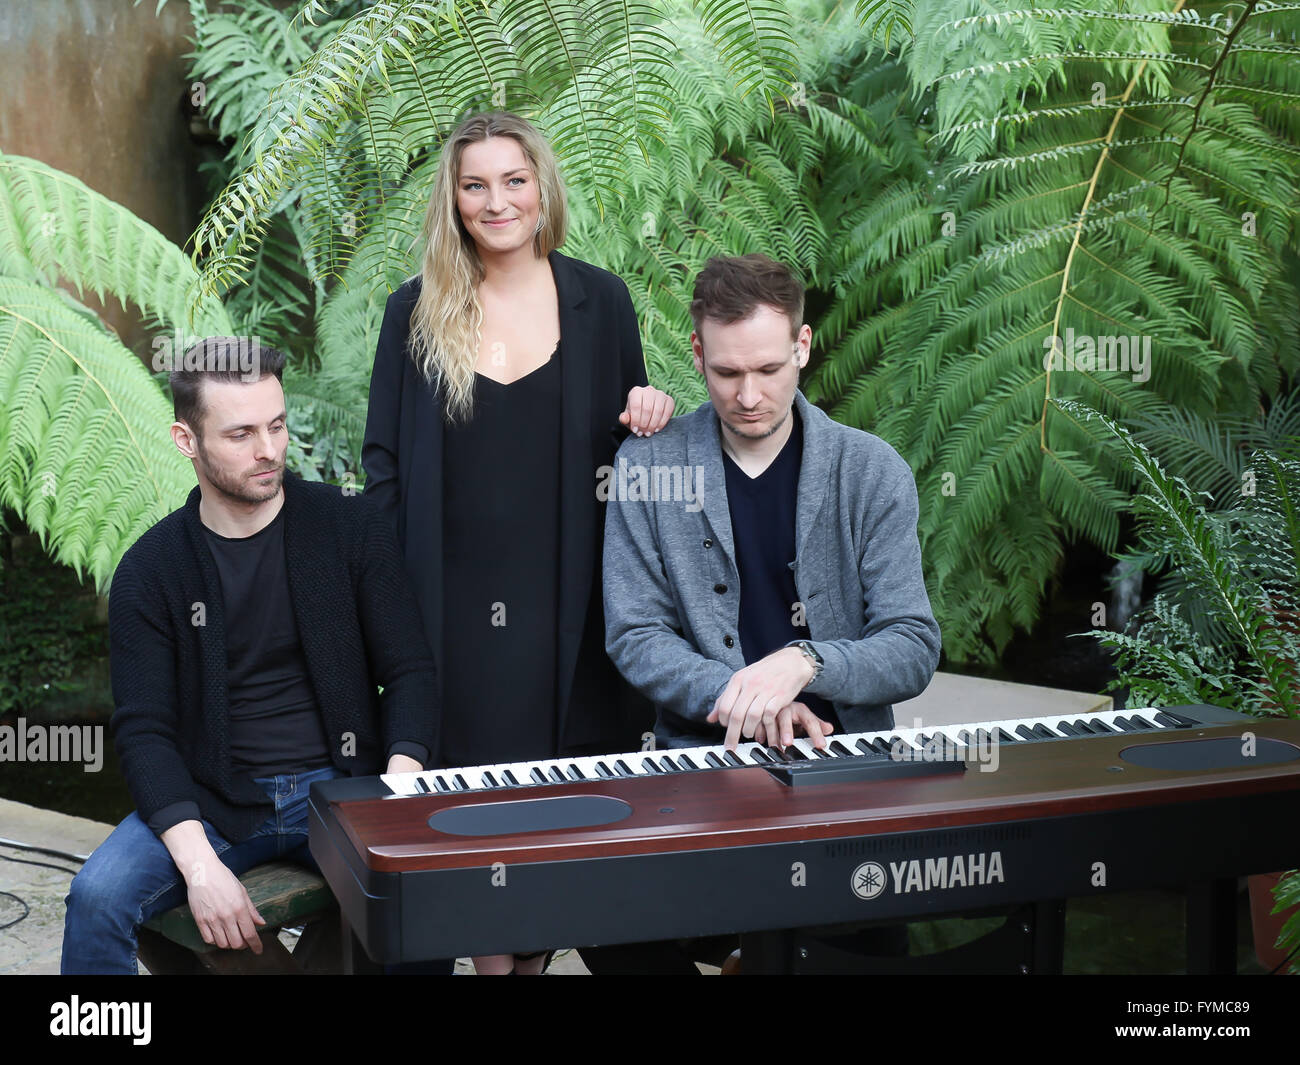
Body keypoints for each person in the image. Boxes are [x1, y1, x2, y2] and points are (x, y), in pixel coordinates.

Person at [360, 110, 674, 975]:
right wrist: (387, 617)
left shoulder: (601, 301)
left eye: (512, 180)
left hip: (567, 613)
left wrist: (652, 412)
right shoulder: (414, 312)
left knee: (553, 818)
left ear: (542, 187)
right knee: (476, 824)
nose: (496, 201)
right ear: (453, 201)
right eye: (474, 186)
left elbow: (633, 440)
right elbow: (382, 471)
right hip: (450, 617)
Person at [600, 254, 942, 971]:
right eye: (726, 373)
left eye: (768, 369)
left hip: (844, 773)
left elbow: (912, 643)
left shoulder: (871, 470)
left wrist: (805, 661)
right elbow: (634, 634)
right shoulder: (647, 466)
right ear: (696, 353)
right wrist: (746, 699)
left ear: (804, 346)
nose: (749, 395)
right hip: (698, 768)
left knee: (864, 946)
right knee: (614, 932)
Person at [61, 338, 437, 975]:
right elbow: (145, 732)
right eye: (240, 434)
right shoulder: (151, 572)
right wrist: (200, 866)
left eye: (278, 425)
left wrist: (395, 793)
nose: (268, 451)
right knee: (97, 898)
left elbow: (409, 673)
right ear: (187, 441)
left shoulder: (350, 528)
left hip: (343, 790)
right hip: (216, 801)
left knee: (424, 894)